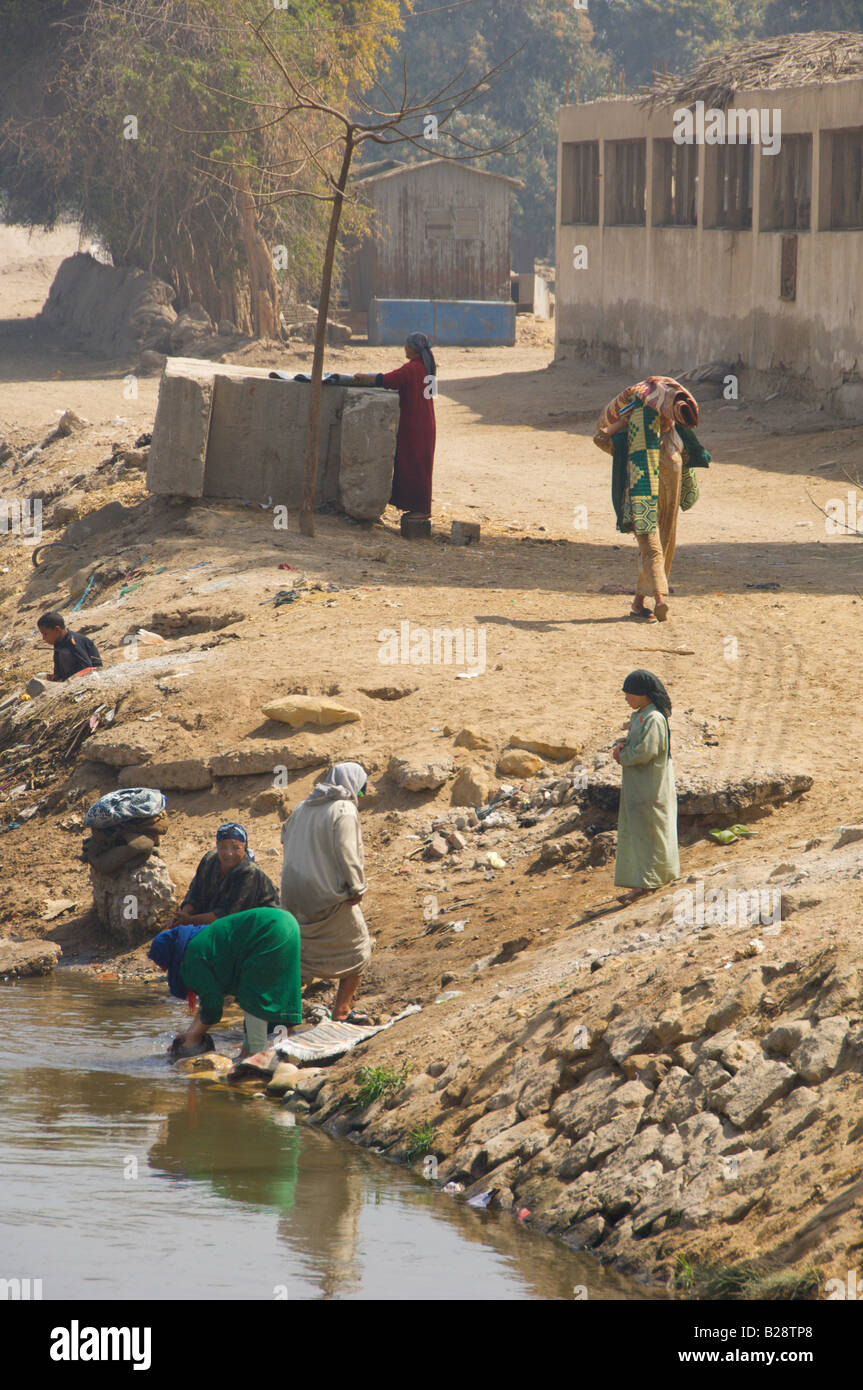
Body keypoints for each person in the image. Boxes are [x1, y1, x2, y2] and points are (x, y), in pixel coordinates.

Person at [593, 376, 711, 622]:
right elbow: (600, 438)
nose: (667, 419)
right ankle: (660, 600)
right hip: (640, 500)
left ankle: (638, 604)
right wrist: (621, 424)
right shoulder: (633, 438)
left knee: (665, 546)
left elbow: (690, 460)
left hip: (669, 503)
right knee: (653, 550)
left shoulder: (677, 438)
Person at [280, 763, 373, 1024]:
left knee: (301, 955)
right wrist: (356, 887)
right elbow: (347, 852)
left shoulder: (301, 808)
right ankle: (342, 1011)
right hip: (325, 894)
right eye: (361, 791)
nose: (360, 797)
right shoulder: (343, 809)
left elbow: (284, 836)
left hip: (293, 894)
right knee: (358, 949)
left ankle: (280, 1013)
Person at [148, 906, 302, 1057]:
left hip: (268, 930)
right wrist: (189, 1033)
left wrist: (192, 1038)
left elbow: (213, 1005)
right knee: (283, 988)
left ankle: (255, 1054)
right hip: (286, 922)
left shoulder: (191, 957)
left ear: (171, 956)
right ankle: (285, 1050)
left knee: (255, 995)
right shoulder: (202, 939)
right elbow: (207, 999)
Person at [353, 332, 437, 522]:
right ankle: (419, 507)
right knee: (420, 467)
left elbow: (390, 380)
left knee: (415, 467)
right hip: (426, 423)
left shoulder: (412, 369)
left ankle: (421, 509)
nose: (404, 348)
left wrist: (366, 377)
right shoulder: (428, 368)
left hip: (415, 426)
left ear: (412, 348)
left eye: (406, 345)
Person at [612, 669, 679, 897]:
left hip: (651, 788)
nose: (626, 698)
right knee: (641, 832)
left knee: (650, 833)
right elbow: (637, 742)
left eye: (630, 693)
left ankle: (650, 882)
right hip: (639, 787)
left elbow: (646, 751)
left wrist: (623, 755)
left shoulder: (654, 718)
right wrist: (623, 744)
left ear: (644, 694)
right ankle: (644, 880)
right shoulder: (641, 716)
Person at [170, 823, 278, 926]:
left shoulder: (249, 871)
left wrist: (189, 921)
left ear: (244, 848)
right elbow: (195, 894)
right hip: (211, 921)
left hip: (255, 925)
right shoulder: (209, 861)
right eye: (223, 847)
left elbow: (228, 915)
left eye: (235, 847)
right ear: (217, 846)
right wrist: (182, 916)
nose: (229, 853)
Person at [37, 611, 102, 680]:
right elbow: (57, 663)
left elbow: (86, 666)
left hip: (92, 674)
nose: (43, 638)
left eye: (45, 634)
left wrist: (65, 678)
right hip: (72, 675)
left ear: (57, 629)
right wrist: (57, 675)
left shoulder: (73, 642)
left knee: (65, 653)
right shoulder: (58, 642)